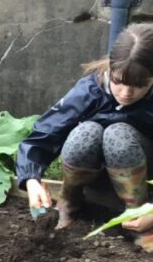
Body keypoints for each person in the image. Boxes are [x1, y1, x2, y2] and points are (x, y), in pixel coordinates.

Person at [18, 23, 153, 249]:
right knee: (85, 132)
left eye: (139, 86)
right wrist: (31, 180)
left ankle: (138, 216)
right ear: (110, 69)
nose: (126, 93)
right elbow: (44, 134)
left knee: (117, 134)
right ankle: (70, 202)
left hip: (144, 173)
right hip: (95, 175)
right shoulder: (91, 90)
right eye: (118, 81)